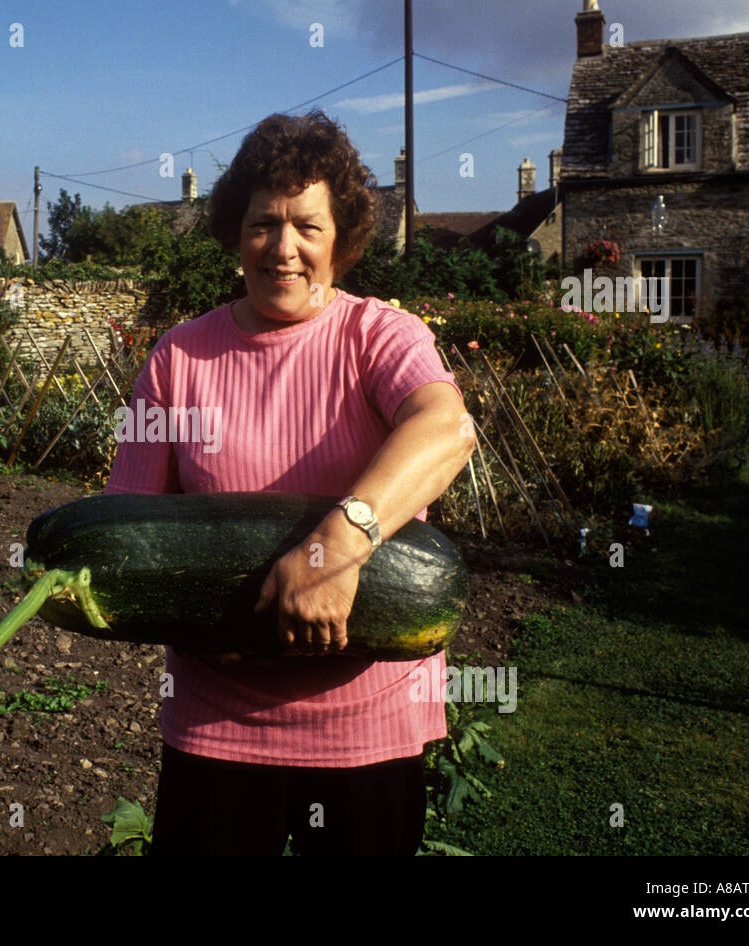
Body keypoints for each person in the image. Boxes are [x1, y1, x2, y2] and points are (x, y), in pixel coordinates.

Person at [104, 109, 474, 856]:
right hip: (216, 722)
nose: (283, 248)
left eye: (307, 225)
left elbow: (447, 428)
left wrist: (334, 550)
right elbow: (126, 534)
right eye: (262, 224)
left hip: (368, 721)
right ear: (235, 234)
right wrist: (201, 630)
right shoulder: (180, 357)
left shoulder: (380, 336)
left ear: (343, 236)